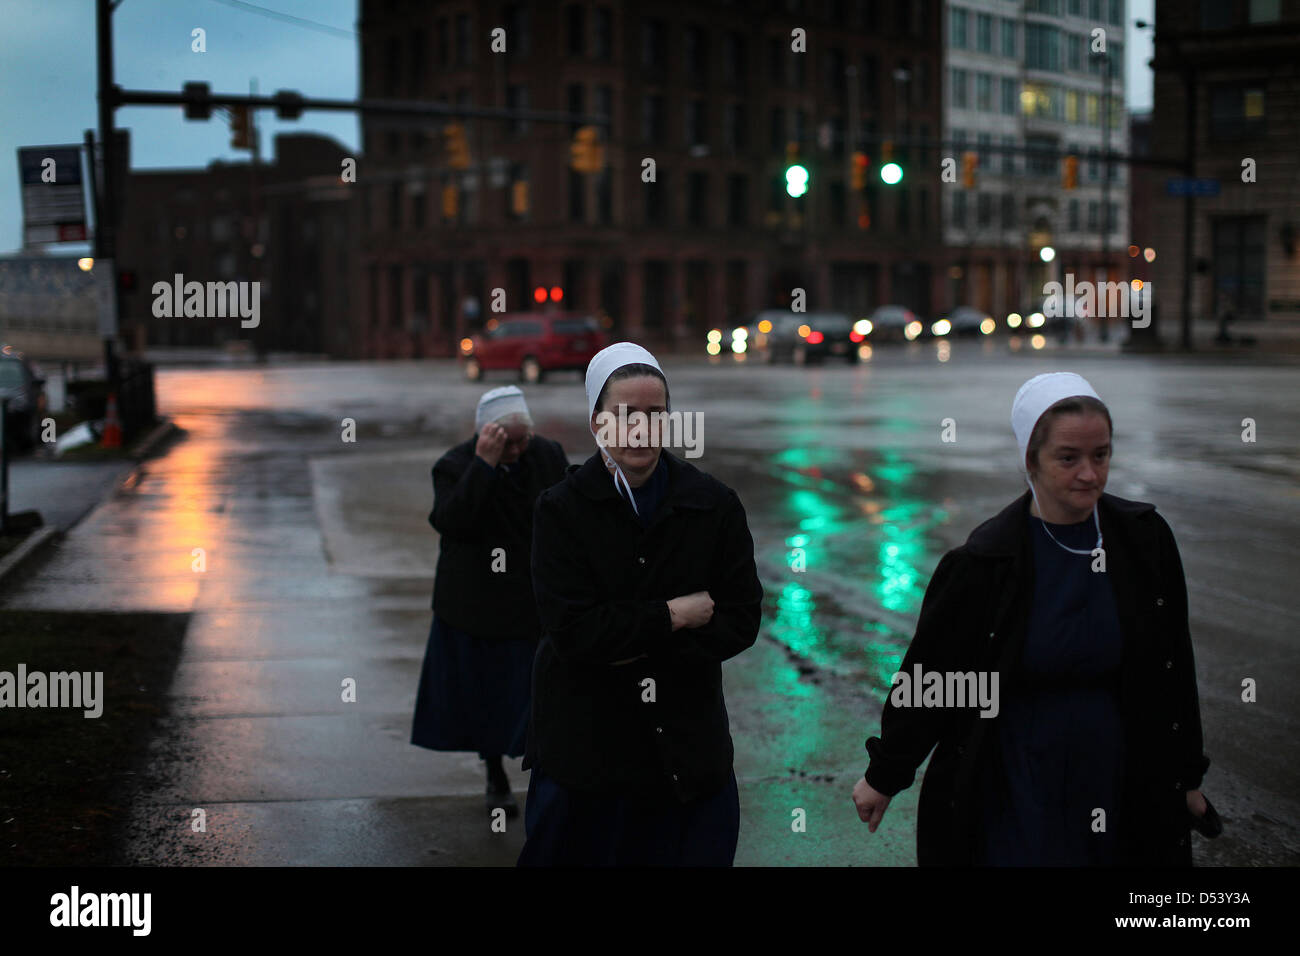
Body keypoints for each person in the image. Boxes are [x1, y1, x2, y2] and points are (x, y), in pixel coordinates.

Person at [852, 372, 1217, 865]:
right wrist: (886, 774)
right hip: (1016, 772)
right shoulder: (985, 562)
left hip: (1117, 769)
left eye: (1101, 455)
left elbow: (1172, 667)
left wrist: (1186, 779)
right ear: (1031, 460)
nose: (1089, 473)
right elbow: (935, 679)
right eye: (1069, 458)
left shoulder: (1143, 541)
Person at [517, 342, 763, 866]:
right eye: (624, 415)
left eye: (654, 416)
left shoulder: (712, 505)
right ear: (596, 423)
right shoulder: (560, 512)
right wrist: (673, 616)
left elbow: (740, 619)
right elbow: (574, 634)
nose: (640, 431)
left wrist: (628, 643)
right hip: (585, 756)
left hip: (686, 756)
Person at [411, 386, 569, 817]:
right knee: (483, 701)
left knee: (538, 697)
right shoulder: (455, 466)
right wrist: (485, 464)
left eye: (523, 440)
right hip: (473, 607)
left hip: (529, 603)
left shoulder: (547, 455)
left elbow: (569, 512)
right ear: (487, 435)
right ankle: (494, 773)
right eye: (507, 442)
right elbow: (452, 521)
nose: (517, 449)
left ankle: (549, 775)